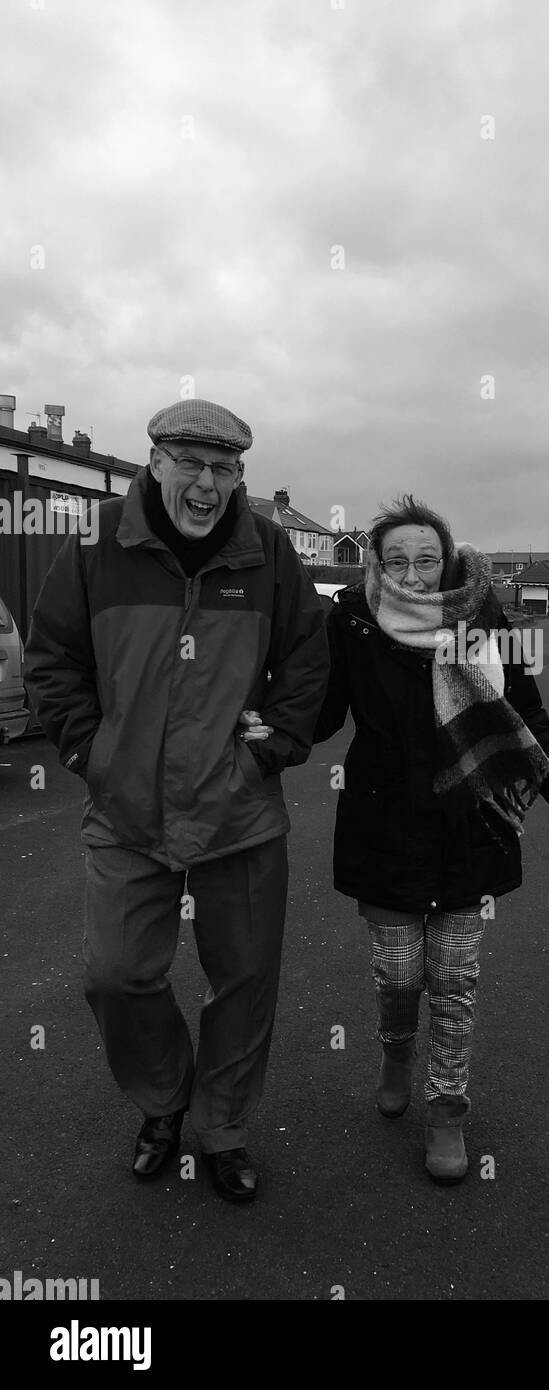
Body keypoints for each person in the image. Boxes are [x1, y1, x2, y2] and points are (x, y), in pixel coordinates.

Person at [24, 399, 329, 1204]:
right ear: (152, 461)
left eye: (224, 468)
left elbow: (308, 657)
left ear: (240, 477)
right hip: (128, 811)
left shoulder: (267, 550)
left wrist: (274, 748)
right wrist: (93, 752)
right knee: (117, 976)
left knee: (245, 980)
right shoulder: (96, 545)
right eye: (189, 462)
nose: (206, 482)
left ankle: (223, 1128)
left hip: (241, 812)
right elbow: (51, 656)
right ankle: (163, 1102)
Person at [313, 496, 549, 1184]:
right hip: (383, 821)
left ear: (447, 560)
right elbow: (319, 711)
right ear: (377, 564)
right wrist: (263, 720)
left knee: (456, 979)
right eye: (397, 559)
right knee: (400, 975)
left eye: (426, 558)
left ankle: (447, 1113)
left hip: (472, 818)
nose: (413, 571)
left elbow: (523, 706)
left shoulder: (485, 617)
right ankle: (396, 1053)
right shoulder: (350, 621)